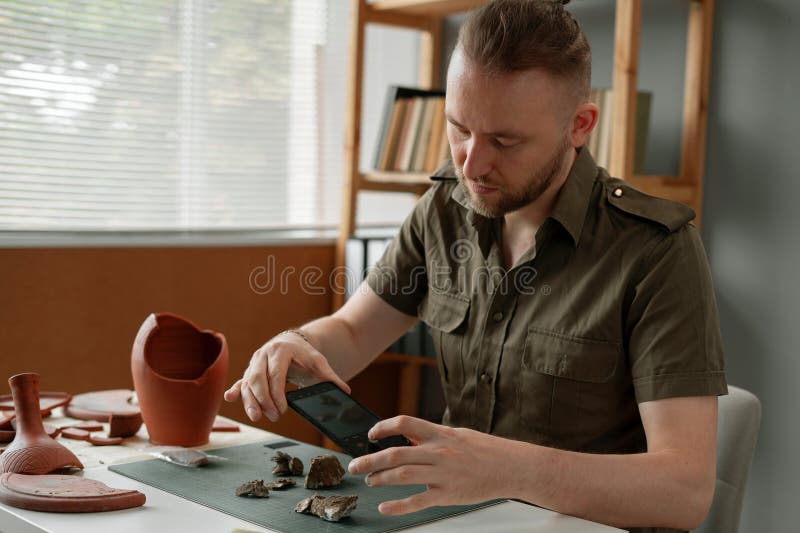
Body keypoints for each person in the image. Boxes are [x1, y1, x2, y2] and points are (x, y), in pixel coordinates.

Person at [224, 1, 726, 532]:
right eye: (459, 128)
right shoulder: (444, 207)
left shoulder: (656, 250)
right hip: (449, 520)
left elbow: (684, 492)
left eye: (504, 141)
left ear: (579, 126)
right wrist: (295, 345)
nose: (472, 163)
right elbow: (353, 329)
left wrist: (507, 470)